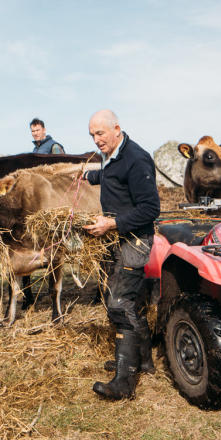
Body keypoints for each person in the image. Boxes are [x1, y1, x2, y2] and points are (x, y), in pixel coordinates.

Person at [82, 109, 160, 400]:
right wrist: (90, 177)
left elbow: (151, 209)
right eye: (92, 135)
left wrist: (111, 223)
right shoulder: (114, 157)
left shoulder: (136, 159)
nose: (96, 140)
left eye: (100, 133)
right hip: (118, 238)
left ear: (116, 128)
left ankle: (123, 384)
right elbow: (112, 176)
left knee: (120, 302)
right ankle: (141, 361)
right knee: (124, 302)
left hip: (135, 240)